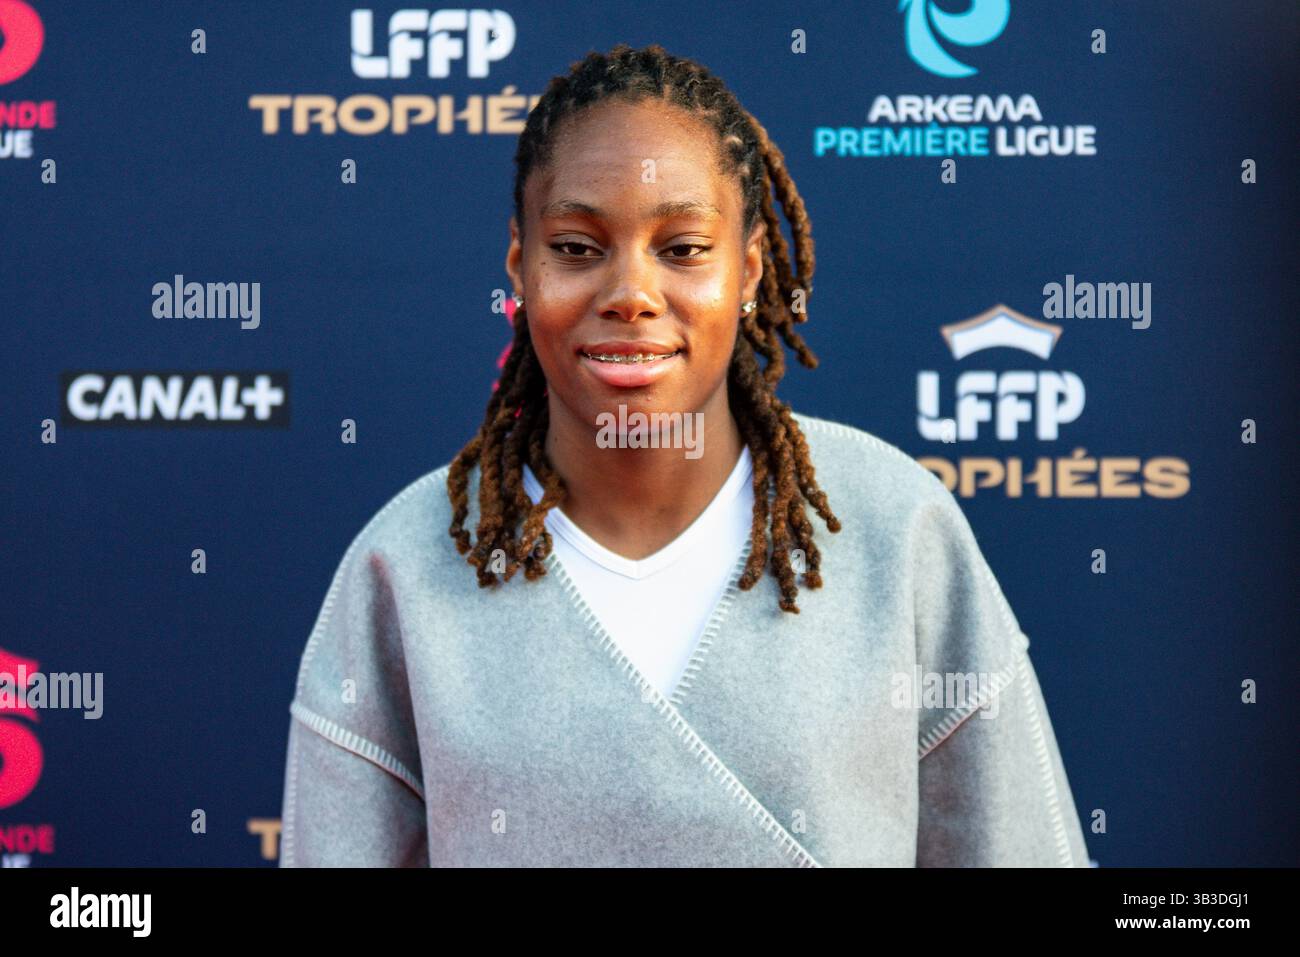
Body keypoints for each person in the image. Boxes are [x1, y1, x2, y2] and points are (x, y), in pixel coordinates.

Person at [278, 43, 1090, 867]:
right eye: (577, 247)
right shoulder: (409, 563)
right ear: (520, 268)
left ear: (749, 269)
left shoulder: (895, 528)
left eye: (684, 248)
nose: (630, 292)